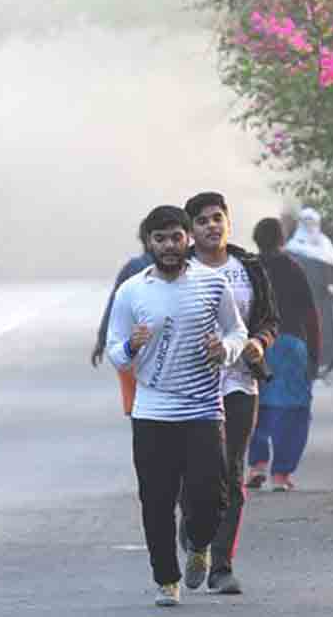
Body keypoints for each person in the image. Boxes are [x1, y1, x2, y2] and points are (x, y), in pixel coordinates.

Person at [106, 205, 248, 607]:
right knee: (156, 499)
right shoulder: (132, 290)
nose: (169, 246)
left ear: (188, 239)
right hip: (152, 414)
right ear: (149, 243)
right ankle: (166, 579)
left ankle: (199, 544)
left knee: (211, 499)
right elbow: (117, 354)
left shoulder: (213, 283)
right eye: (160, 238)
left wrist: (228, 348)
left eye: (175, 237)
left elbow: (236, 330)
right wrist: (131, 345)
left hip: (203, 411)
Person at [176, 191, 279, 595]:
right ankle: (192, 525)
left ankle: (221, 565)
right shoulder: (176, 270)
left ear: (228, 223)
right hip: (189, 385)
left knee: (230, 470)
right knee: (193, 472)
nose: (211, 226)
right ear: (189, 231)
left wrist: (260, 342)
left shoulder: (249, 267)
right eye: (201, 221)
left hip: (238, 382)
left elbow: (270, 318)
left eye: (217, 217)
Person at [245, 218, 321, 492]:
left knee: (256, 405)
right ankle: (281, 474)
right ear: (282, 239)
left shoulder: (248, 268)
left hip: (256, 346)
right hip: (290, 344)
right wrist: (315, 354)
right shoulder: (293, 268)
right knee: (293, 411)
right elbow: (310, 315)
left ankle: (257, 464)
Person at [92, 218, 154, 415]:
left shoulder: (132, 267)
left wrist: (102, 341)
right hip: (158, 348)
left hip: (132, 347)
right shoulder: (184, 267)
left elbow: (113, 306)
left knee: (137, 407)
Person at [286, 207, 333, 376]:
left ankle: (325, 362)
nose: (310, 226)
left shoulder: (325, 245)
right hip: (301, 294)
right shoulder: (293, 246)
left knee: (324, 326)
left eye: (313, 222)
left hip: (322, 294)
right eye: (306, 222)